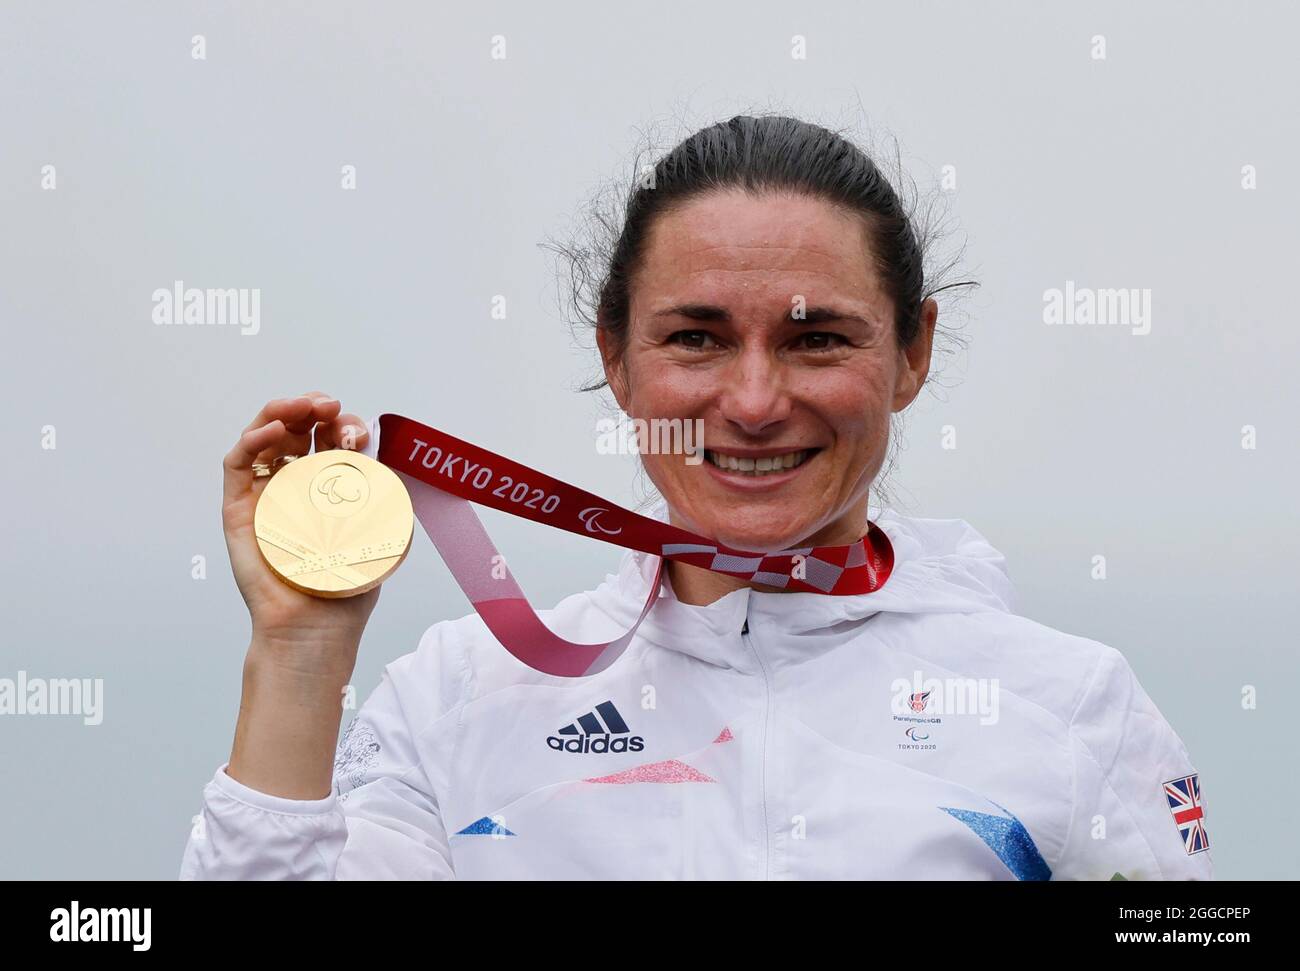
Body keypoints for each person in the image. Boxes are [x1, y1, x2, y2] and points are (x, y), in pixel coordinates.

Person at [182, 115, 1211, 880]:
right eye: (696, 337)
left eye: (817, 339)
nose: (755, 401)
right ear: (615, 359)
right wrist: (301, 651)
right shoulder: (459, 700)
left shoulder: (1075, 709)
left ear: (912, 353)